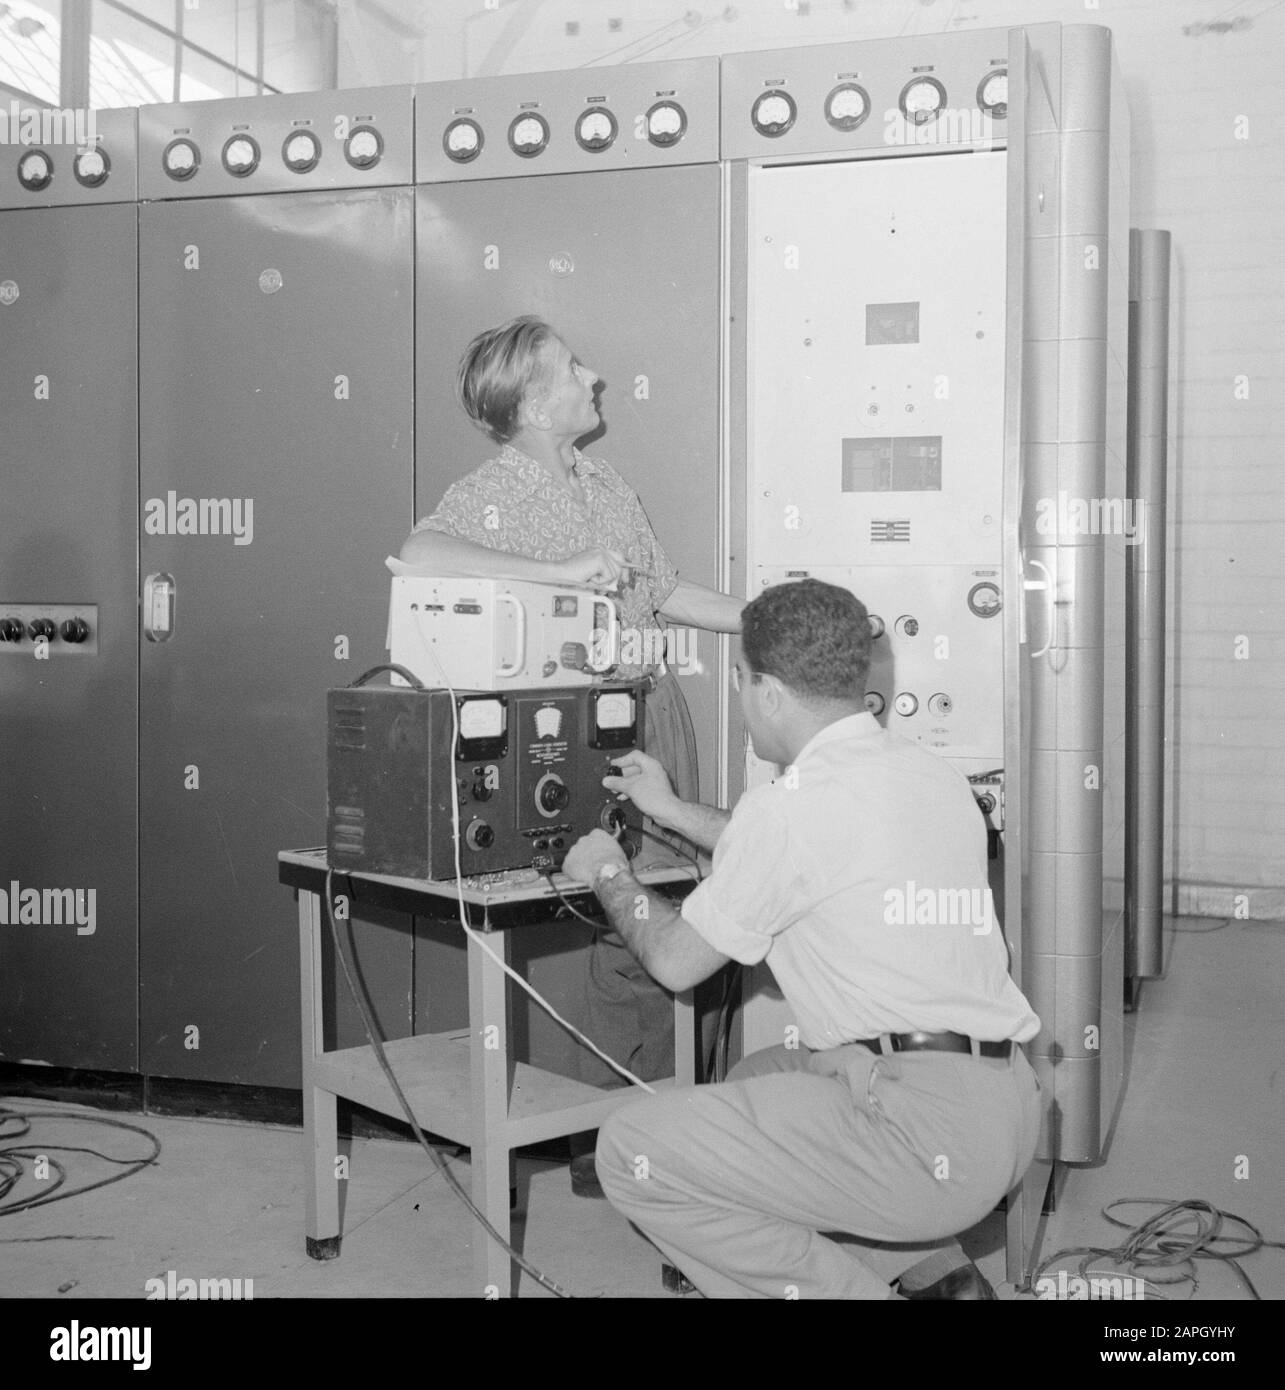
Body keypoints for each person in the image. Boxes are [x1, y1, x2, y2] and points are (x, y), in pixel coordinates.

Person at [561, 578, 1044, 1298]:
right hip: (1006, 1106)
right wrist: (663, 807)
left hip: (922, 1132)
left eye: (741, 683)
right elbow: (795, 851)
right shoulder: (929, 775)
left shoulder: (786, 810)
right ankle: (940, 1277)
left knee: (633, 1148)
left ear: (765, 691)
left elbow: (675, 962)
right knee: (758, 1078)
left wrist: (605, 871)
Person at [400, 315, 744, 1195]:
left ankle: (641, 1131)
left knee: (673, 908)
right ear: (531, 403)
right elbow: (417, 552)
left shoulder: (606, 482)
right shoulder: (496, 490)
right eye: (572, 369)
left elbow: (661, 591)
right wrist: (554, 574)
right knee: (621, 913)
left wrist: (769, 616)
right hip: (574, 723)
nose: (594, 377)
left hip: (651, 710)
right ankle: (617, 1140)